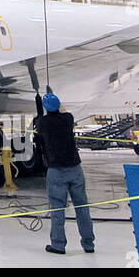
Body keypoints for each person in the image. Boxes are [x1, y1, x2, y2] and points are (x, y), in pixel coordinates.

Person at [36, 90, 95, 255]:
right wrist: (52, 94)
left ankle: (58, 244)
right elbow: (62, 110)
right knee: (82, 208)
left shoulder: (43, 123)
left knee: (57, 209)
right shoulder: (68, 119)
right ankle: (89, 244)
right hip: (75, 168)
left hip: (56, 171)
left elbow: (39, 122)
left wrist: (40, 102)